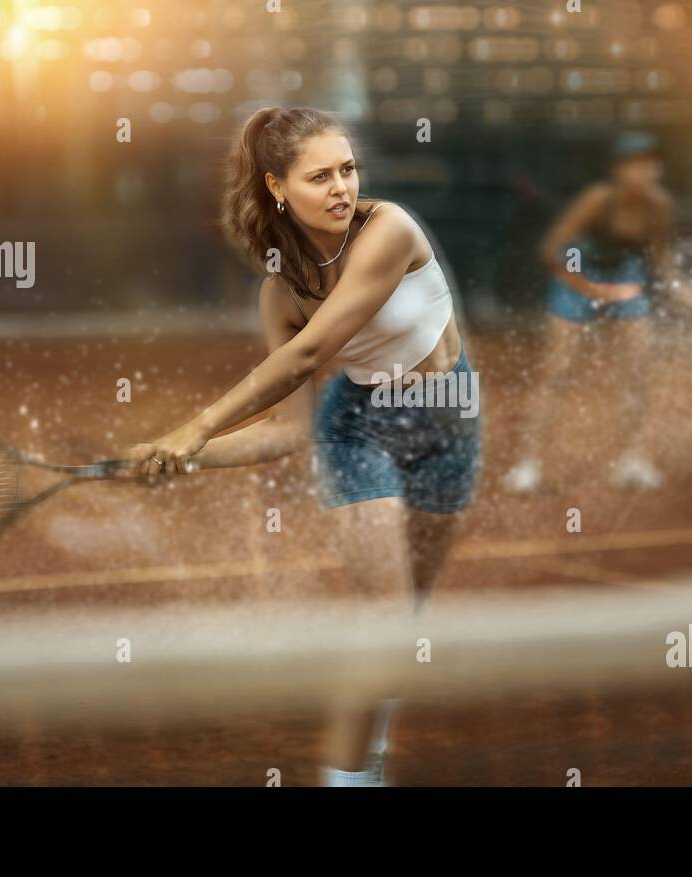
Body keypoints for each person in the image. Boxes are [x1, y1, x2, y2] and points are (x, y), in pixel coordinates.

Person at [125, 106, 481, 787]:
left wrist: (194, 426)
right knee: (384, 614)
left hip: (449, 421)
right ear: (277, 187)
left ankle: (372, 721)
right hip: (358, 428)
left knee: (406, 617)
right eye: (319, 176)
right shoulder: (280, 294)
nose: (342, 187)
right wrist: (179, 455)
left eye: (348, 169)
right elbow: (287, 429)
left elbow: (309, 353)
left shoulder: (390, 229)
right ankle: (353, 775)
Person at [502, 131, 680, 494]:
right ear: (618, 171)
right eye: (634, 164)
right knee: (558, 371)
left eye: (650, 164)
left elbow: (661, 261)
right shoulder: (597, 199)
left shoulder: (660, 206)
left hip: (626, 277)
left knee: (638, 370)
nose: (644, 172)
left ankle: (632, 460)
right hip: (577, 274)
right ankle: (527, 464)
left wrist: (683, 290)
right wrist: (587, 287)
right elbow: (551, 249)